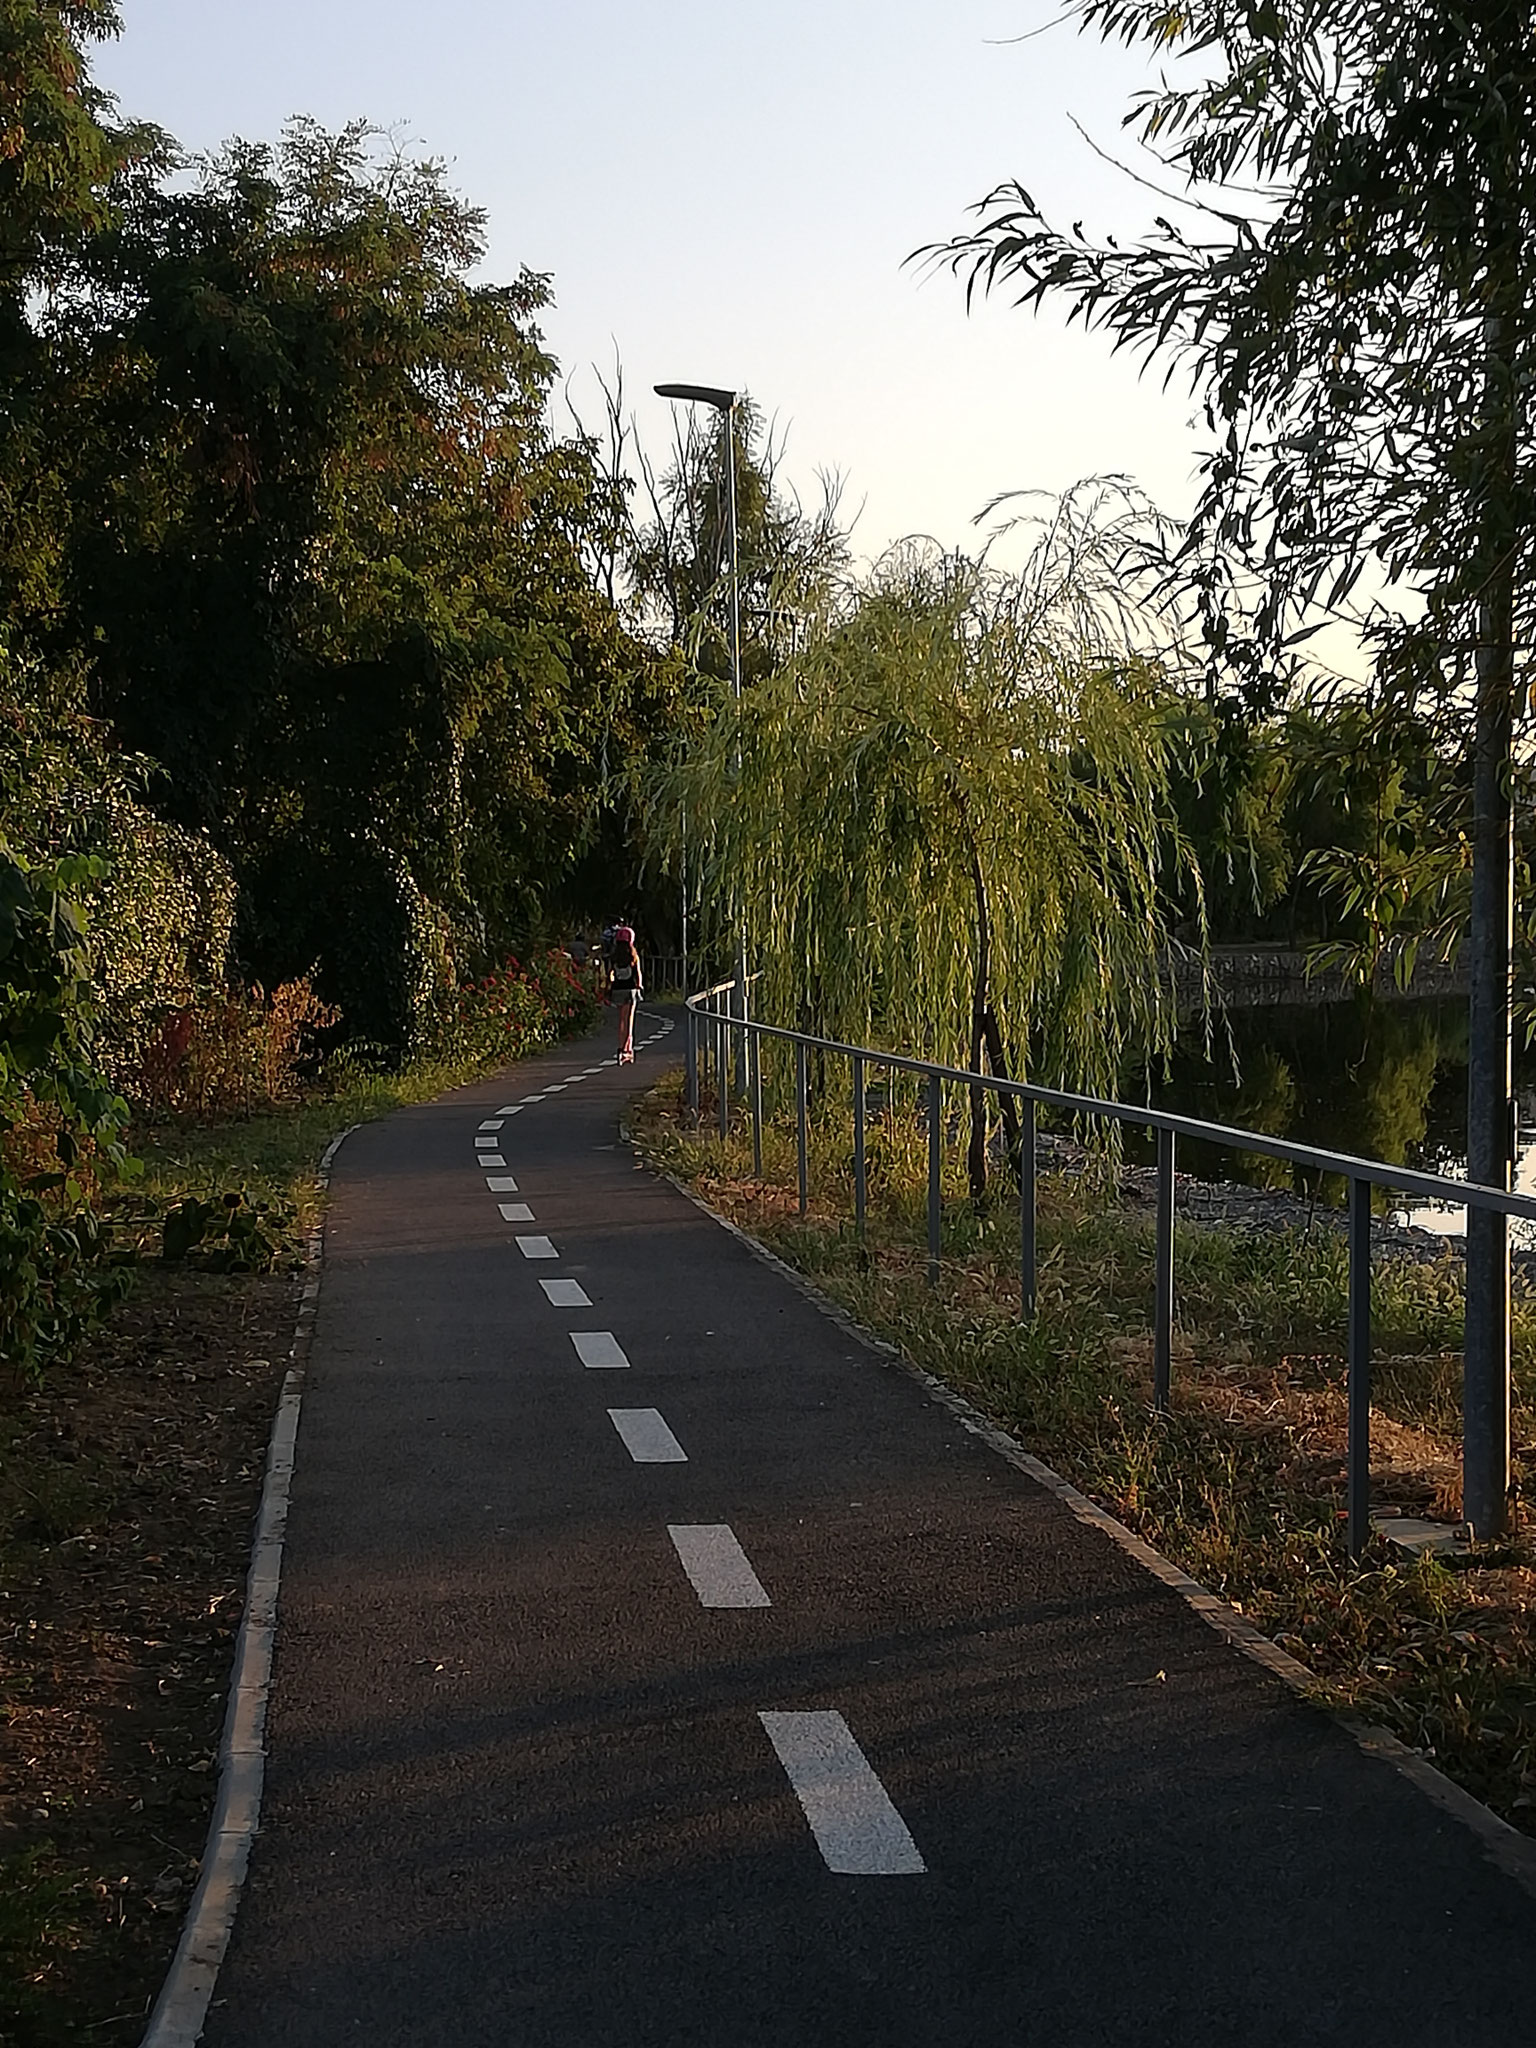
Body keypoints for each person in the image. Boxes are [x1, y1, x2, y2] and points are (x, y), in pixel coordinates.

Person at [608, 923, 642, 1064]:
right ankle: (627, 1049)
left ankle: (620, 1048)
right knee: (629, 1021)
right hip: (630, 990)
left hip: (617, 989)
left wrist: (609, 987)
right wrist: (639, 986)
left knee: (621, 1020)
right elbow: (638, 974)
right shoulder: (633, 956)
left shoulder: (614, 957)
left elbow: (609, 974)